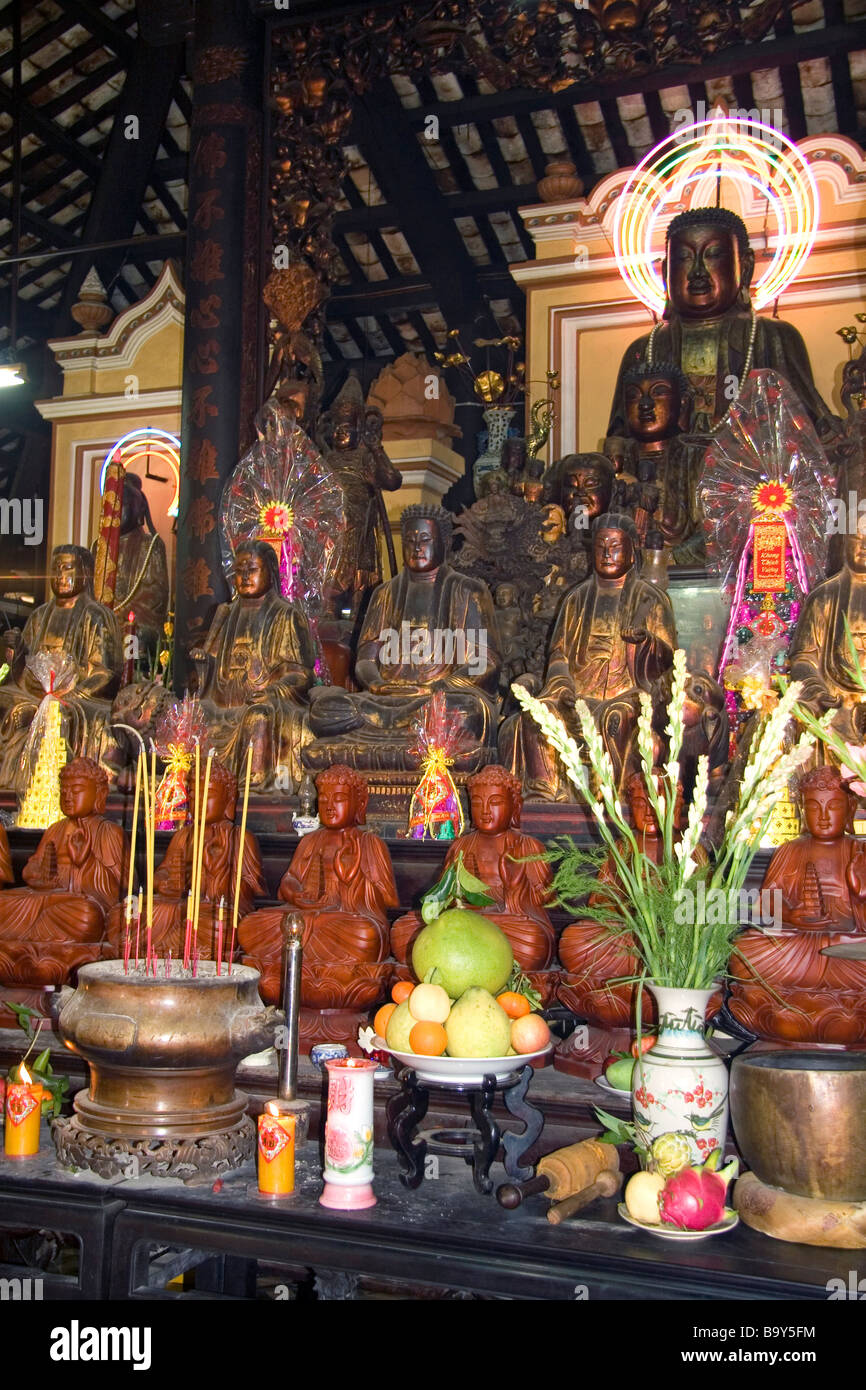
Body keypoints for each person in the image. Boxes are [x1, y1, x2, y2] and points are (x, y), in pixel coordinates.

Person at [607, 207, 840, 441]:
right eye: (684, 258)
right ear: (666, 272)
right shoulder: (645, 350)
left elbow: (809, 426)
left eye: (713, 255)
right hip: (662, 468)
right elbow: (620, 438)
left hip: (752, 472)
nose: (697, 271)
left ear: (745, 266)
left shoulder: (771, 337)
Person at [304, 504, 501, 773]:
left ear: (444, 542)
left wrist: (434, 689)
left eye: (424, 540)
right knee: (326, 710)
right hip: (385, 699)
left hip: (438, 700)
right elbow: (365, 660)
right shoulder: (384, 594)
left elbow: (484, 664)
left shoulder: (467, 590)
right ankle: (407, 739)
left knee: (464, 712)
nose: (416, 547)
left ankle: (405, 739)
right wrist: (376, 685)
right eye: (408, 540)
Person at [499, 512, 677, 797]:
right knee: (537, 716)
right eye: (600, 546)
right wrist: (563, 686)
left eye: (616, 546)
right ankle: (545, 793)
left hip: (627, 695)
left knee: (619, 717)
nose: (607, 553)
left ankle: (615, 797)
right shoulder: (576, 598)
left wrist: (646, 643)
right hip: (575, 696)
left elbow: (671, 664)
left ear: (632, 553)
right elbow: (558, 654)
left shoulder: (650, 599)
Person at [238, 764, 398, 1008]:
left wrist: (350, 880)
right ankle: (307, 961)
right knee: (251, 926)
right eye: (323, 799)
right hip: (304, 915)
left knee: (366, 935)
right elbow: (289, 881)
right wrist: (297, 896)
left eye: (340, 798)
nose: (329, 805)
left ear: (360, 805)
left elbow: (387, 900)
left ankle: (306, 963)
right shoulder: (310, 841)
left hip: (343, 924)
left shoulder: (369, 844)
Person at [728, 766, 866, 1044]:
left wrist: (858, 892)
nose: (824, 816)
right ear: (802, 812)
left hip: (847, 948)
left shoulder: (859, 851)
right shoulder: (792, 850)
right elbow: (766, 903)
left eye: (834, 806)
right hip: (798, 946)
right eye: (814, 807)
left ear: (850, 809)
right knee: (743, 953)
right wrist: (792, 915)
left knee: (849, 951)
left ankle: (804, 1006)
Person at [391, 765, 555, 975]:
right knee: (404, 930)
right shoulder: (462, 845)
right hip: (463, 920)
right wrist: (454, 900)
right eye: (477, 803)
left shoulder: (528, 847)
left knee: (533, 940)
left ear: (515, 807)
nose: (485, 810)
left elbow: (548, 899)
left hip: (507, 920)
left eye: (495, 802)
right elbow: (444, 895)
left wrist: (515, 887)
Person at [106, 758, 265, 960]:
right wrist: (166, 882)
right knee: (126, 914)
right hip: (177, 908)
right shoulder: (183, 836)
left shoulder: (240, 838)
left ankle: (161, 946)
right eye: (192, 794)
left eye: (206, 794)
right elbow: (162, 874)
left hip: (212, 911)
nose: (197, 800)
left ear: (229, 800)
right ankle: (170, 945)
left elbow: (248, 890)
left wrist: (213, 871)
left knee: (223, 925)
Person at [190, 540, 317, 789]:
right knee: (191, 714)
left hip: (265, 706)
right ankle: (198, 786)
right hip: (223, 705)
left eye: (252, 569)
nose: (245, 577)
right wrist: (204, 663)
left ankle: (252, 787)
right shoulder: (225, 613)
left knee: (257, 717)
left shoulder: (287, 615)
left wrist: (271, 692)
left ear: (270, 570)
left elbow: (302, 676)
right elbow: (212, 670)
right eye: (239, 571)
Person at [0, 546, 122, 792]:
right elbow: (21, 672)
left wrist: (68, 693)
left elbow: (106, 673)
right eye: (55, 568)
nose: (60, 574)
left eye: (68, 568)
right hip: (35, 691)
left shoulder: (96, 616)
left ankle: (59, 780)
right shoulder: (39, 616)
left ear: (85, 573)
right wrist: (17, 651)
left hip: (77, 697)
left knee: (59, 712)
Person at [0, 759, 126, 987]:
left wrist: (84, 863)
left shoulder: (109, 832)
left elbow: (115, 891)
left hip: (73, 910)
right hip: (44, 904)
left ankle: (32, 947)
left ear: (99, 793)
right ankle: (33, 945)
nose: (67, 796)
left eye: (76, 790)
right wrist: (37, 875)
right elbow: (32, 868)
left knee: (86, 915)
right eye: (64, 790)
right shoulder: (55, 829)